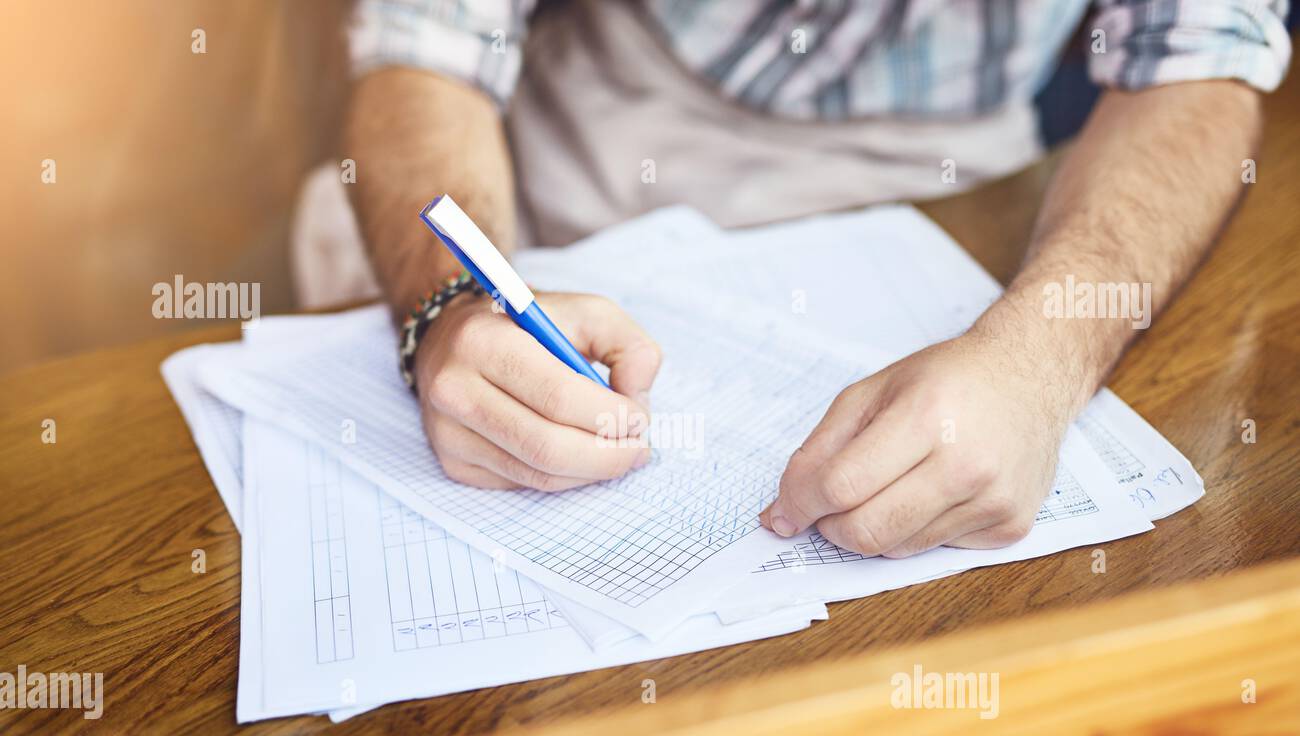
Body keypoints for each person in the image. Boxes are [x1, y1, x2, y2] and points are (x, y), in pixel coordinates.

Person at [335, 0, 1290, 558]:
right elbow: (426, 52)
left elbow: (1197, 66)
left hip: (963, 183)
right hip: (604, 122)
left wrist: (1042, 361)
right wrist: (448, 306)